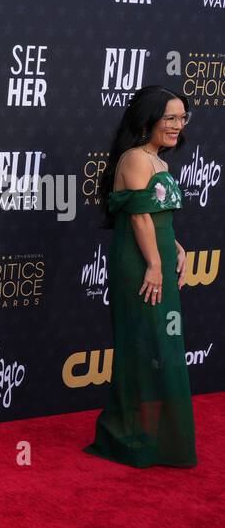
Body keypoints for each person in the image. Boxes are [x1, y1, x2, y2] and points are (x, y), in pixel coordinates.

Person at [84, 85, 196, 468]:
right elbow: (138, 216)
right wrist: (154, 264)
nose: (177, 125)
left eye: (182, 118)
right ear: (148, 120)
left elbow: (158, 215)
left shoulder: (160, 162)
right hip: (139, 260)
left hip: (158, 254)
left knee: (162, 347)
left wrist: (174, 247)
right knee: (140, 344)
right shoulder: (134, 159)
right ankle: (126, 435)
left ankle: (155, 434)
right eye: (170, 118)